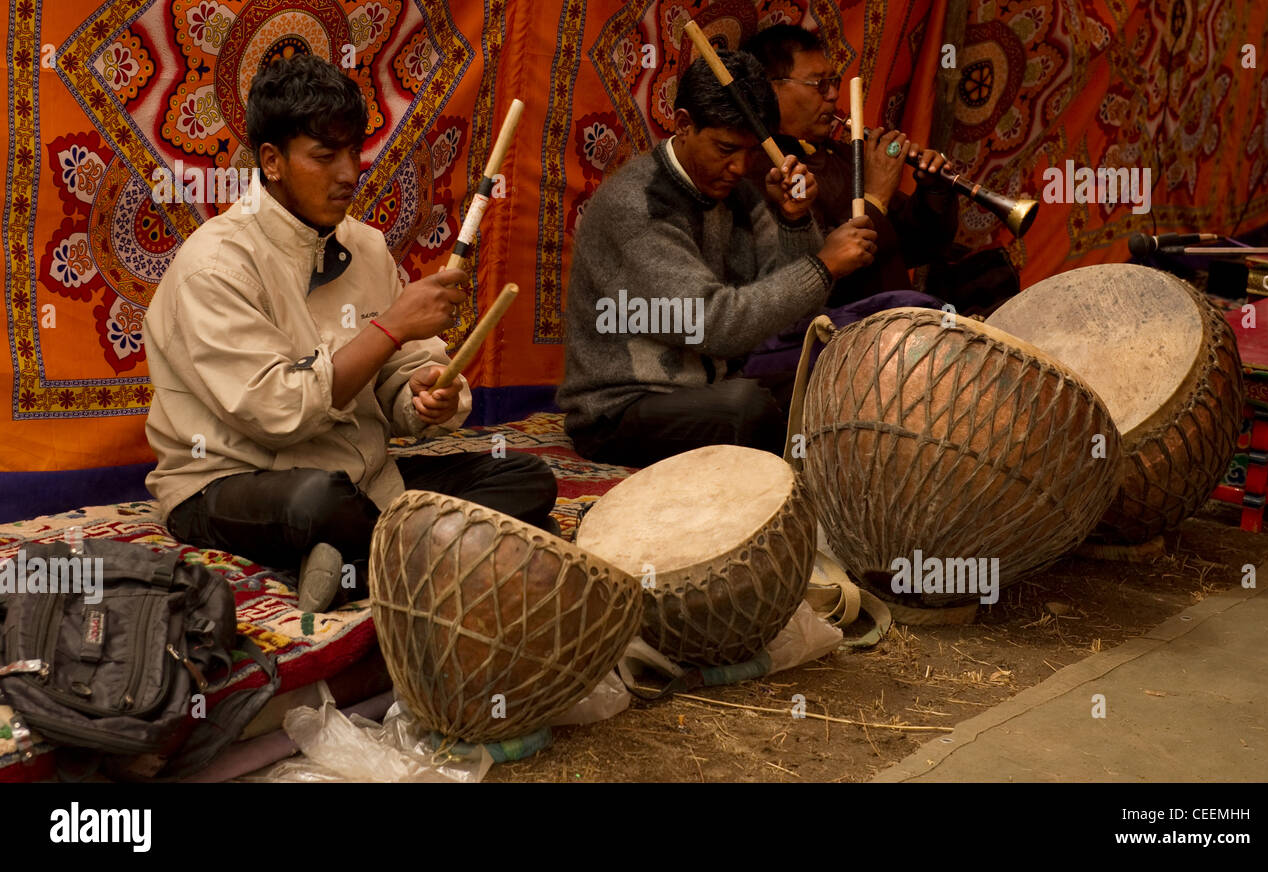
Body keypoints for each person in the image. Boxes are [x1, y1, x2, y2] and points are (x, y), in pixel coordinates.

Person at [142, 53, 556, 612]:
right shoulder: (215, 265)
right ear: (272, 161)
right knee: (316, 500)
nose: (349, 172)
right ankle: (421, 553)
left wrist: (426, 393)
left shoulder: (365, 246)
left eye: (353, 151)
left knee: (524, 478)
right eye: (324, 155)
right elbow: (276, 415)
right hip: (239, 480)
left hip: (362, 481)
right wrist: (389, 328)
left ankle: (355, 568)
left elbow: (401, 376)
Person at [558, 48, 875, 468]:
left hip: (707, 389)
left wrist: (795, 223)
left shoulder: (737, 192)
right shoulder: (638, 205)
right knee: (745, 408)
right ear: (684, 124)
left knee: (842, 377)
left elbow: (793, 306)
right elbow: (715, 325)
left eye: (748, 151)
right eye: (725, 148)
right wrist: (823, 264)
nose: (739, 166)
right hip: (623, 409)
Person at [740, 24, 957, 308]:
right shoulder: (759, 171)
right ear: (770, 89)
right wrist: (875, 197)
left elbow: (920, 247)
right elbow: (818, 270)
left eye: (834, 82)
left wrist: (934, 191)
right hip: (834, 340)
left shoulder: (842, 154)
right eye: (819, 84)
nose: (832, 95)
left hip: (899, 327)